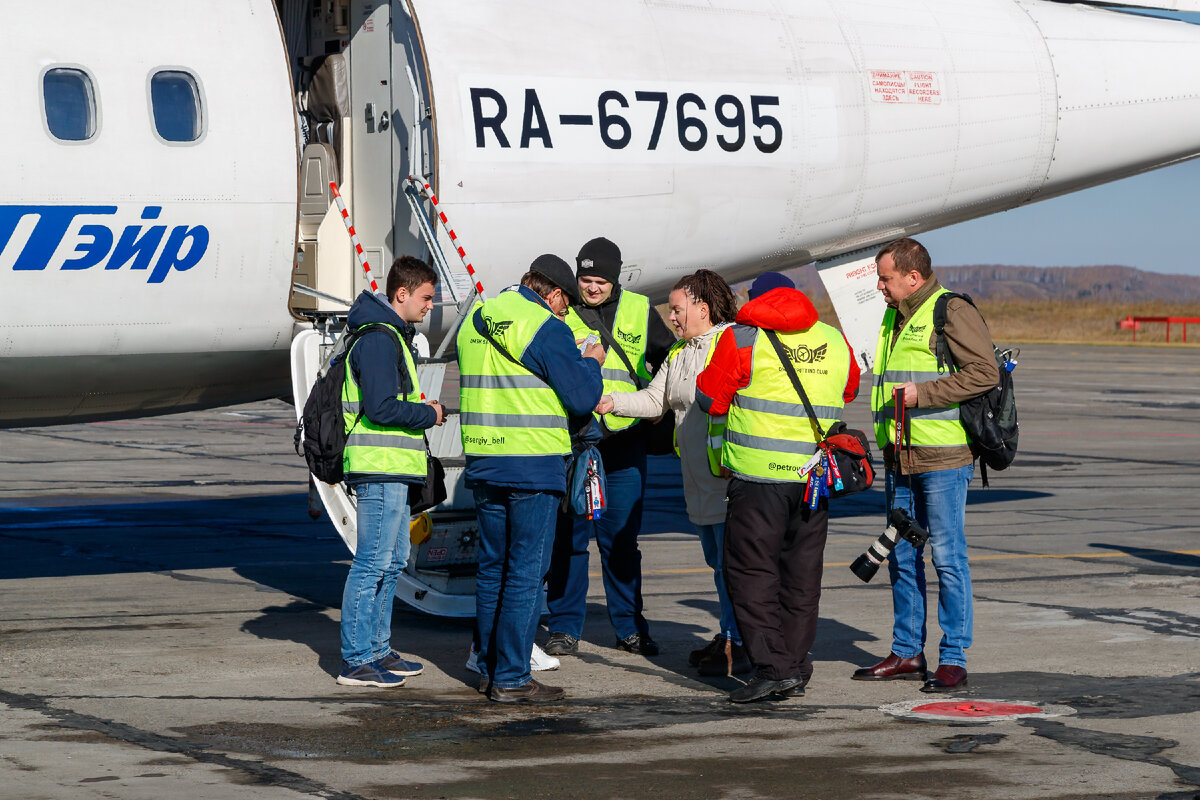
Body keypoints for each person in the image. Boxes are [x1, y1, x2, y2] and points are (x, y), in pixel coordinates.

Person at [696, 280, 859, 703]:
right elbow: (849, 390)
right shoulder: (834, 339)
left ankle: (772, 668)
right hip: (812, 480)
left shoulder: (743, 337)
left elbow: (709, 399)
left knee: (751, 574)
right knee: (801, 579)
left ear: (756, 299)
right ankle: (795, 666)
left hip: (757, 480)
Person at [457, 255, 605, 703]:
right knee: (525, 573)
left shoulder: (477, 319)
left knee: (491, 570)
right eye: (564, 305)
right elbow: (581, 398)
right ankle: (513, 677)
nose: (564, 313)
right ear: (555, 294)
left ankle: (488, 667)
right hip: (532, 464)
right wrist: (591, 362)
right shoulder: (545, 325)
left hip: (484, 460)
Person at [853, 238, 998, 692]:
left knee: (947, 557)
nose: (878, 285)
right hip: (901, 455)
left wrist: (924, 395)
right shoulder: (894, 315)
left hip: (942, 456)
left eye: (885, 277)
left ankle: (952, 656)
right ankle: (907, 652)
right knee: (900, 552)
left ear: (912, 277)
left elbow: (985, 372)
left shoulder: (950, 311)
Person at [596, 270, 748, 676]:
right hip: (699, 481)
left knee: (733, 566)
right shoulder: (682, 353)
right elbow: (654, 399)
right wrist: (610, 401)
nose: (673, 319)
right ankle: (732, 634)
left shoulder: (731, 344)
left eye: (678, 311)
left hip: (730, 480)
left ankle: (739, 639)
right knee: (719, 563)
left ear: (703, 308)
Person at [544, 237, 675, 658]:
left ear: (615, 280)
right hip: (577, 442)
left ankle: (630, 628)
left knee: (621, 541)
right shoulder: (559, 312)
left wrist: (658, 403)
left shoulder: (639, 309)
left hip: (625, 441)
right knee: (570, 539)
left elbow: (669, 359)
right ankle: (564, 627)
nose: (592, 288)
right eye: (585, 279)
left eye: (600, 280)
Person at [336, 256, 445, 688]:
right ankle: (356, 658)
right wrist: (428, 412)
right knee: (373, 562)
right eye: (427, 297)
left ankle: (378, 650)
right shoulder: (379, 339)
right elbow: (381, 407)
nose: (430, 306)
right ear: (402, 293)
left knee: (394, 561)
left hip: (394, 468)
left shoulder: (394, 336)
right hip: (377, 467)